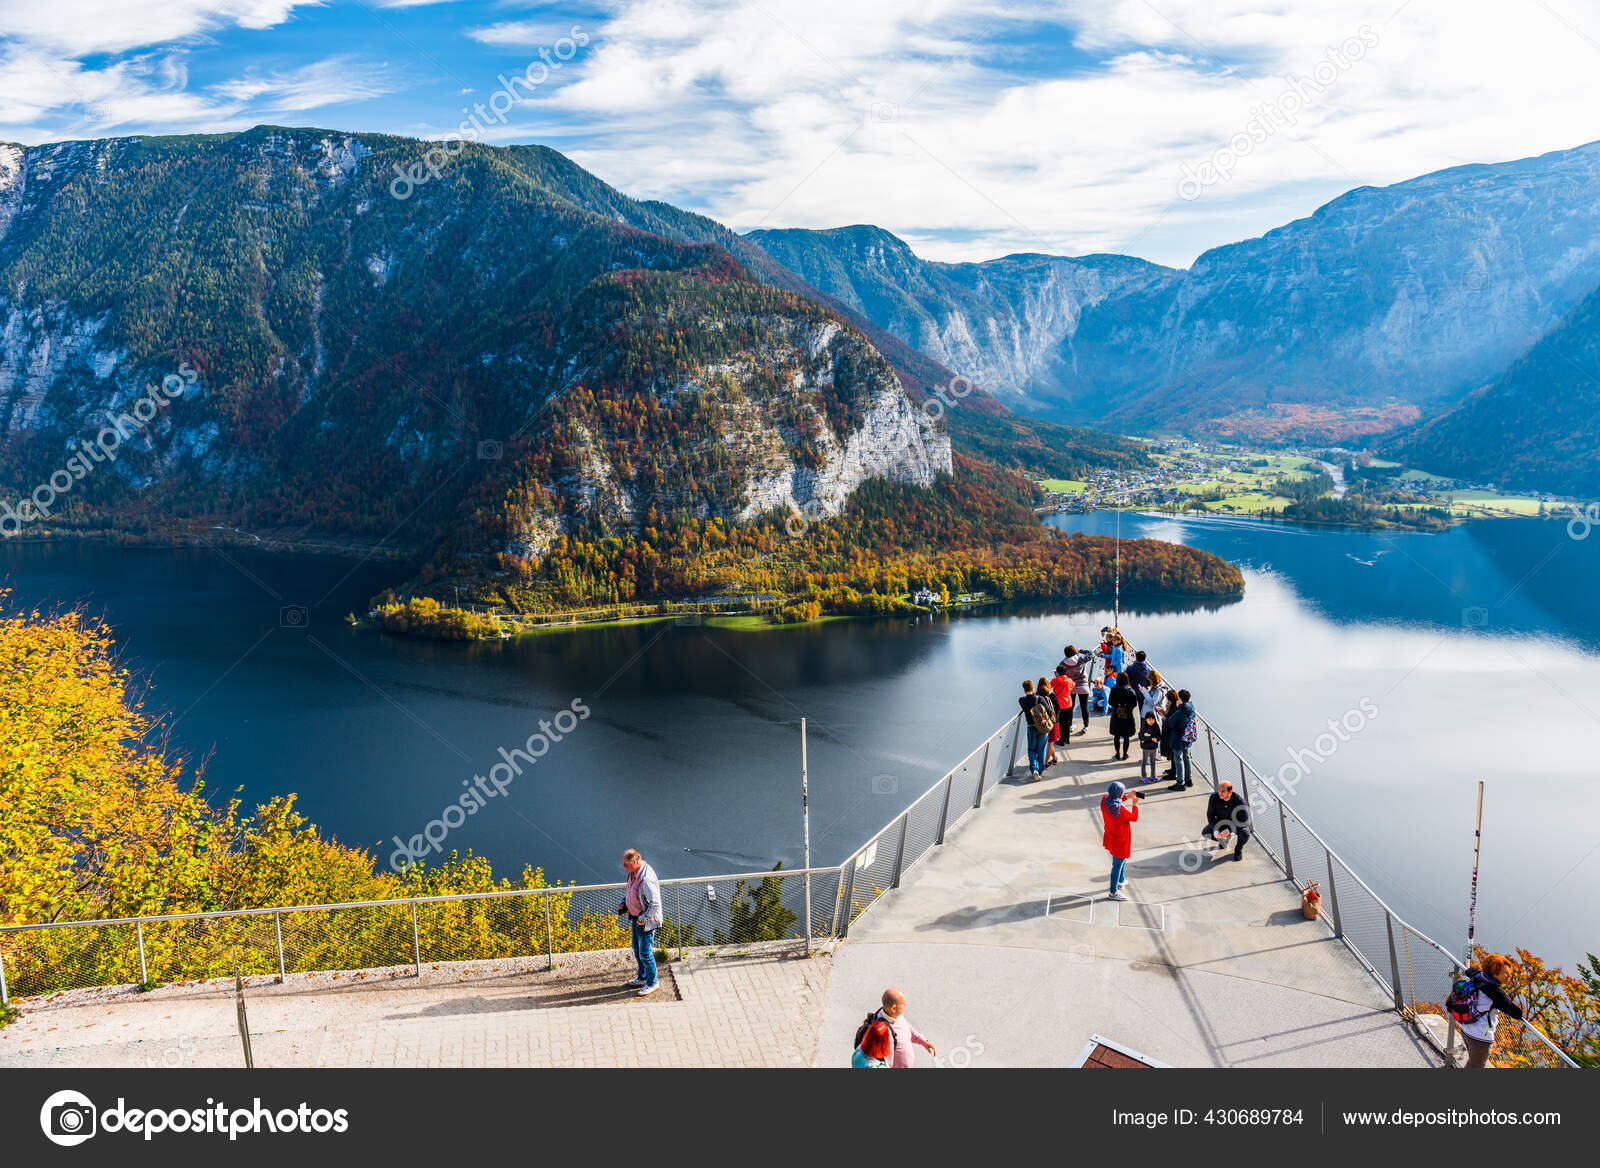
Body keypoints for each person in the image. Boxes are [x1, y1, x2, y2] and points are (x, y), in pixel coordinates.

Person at [1457, 953, 1526, 1068]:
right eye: (1505, 973)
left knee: (1472, 1062)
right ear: (1495, 973)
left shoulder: (1478, 976)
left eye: (1509, 972)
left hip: (1465, 1028)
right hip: (1480, 1037)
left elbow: (1470, 970)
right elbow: (1517, 1013)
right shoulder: (1496, 993)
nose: (1509, 975)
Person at [618, 848, 662, 995]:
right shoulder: (633, 873)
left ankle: (653, 982)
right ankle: (643, 977)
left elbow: (655, 903)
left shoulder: (646, 878)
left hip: (645, 921)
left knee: (645, 952)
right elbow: (631, 891)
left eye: (625, 864)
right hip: (636, 917)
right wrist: (624, 903)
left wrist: (643, 919)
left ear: (635, 862)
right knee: (637, 950)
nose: (624, 867)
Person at [875, 988, 935, 1067]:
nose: (905, 1004)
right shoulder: (883, 1031)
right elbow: (885, 1063)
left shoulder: (897, 1016)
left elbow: (907, 1029)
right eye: (902, 1003)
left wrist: (923, 1041)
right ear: (893, 1008)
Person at [1100, 780, 1139, 901]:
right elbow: (1134, 818)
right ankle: (1113, 892)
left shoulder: (1105, 799)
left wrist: (1127, 797)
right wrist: (1135, 804)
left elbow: (1115, 801)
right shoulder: (1120, 811)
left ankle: (1121, 880)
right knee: (1117, 865)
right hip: (1121, 840)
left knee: (1121, 861)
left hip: (1111, 835)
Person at [1202, 779, 1250, 860]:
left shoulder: (1240, 802)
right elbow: (1210, 815)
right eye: (1219, 790)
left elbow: (1245, 821)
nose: (1220, 793)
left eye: (1223, 791)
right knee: (1206, 832)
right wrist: (1215, 829)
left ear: (1230, 792)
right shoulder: (1214, 797)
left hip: (1236, 825)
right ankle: (1224, 841)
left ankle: (1238, 849)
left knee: (1245, 833)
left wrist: (1229, 830)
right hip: (1221, 822)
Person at [1019, 679, 1053, 780]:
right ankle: (1040, 771)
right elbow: (1050, 711)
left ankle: (1034, 769)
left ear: (1024, 690)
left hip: (1031, 728)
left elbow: (1025, 706)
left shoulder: (1022, 700)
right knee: (1041, 749)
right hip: (1042, 727)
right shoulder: (1039, 698)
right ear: (1033, 688)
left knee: (1031, 749)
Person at [1059, 645, 1095, 732]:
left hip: (1071, 687)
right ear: (1074, 652)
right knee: (1084, 706)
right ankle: (1086, 726)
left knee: (1070, 707)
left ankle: (1070, 725)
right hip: (1083, 686)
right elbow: (1092, 654)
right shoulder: (1080, 659)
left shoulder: (1063, 663)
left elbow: (1060, 671)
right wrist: (1081, 650)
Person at [1167, 689, 1197, 791]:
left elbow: (1170, 723)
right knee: (1187, 757)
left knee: (1178, 759)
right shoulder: (1192, 710)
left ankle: (1180, 783)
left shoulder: (1180, 712)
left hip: (1178, 738)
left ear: (1179, 698)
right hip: (1188, 737)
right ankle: (1188, 779)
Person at [1108, 671, 1141, 761]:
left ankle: (1117, 754)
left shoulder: (1114, 689)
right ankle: (1125, 754)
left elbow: (1110, 702)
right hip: (1128, 716)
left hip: (1116, 715)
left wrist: (1118, 706)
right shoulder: (1130, 690)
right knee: (1126, 737)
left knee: (1116, 736)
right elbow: (1134, 703)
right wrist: (1126, 707)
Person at [1049, 665, 1076, 747]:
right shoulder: (1069, 680)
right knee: (1067, 722)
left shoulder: (1055, 680)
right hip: (1068, 703)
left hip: (1059, 705)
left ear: (1057, 672)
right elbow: (1072, 686)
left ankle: (1062, 740)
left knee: (1061, 723)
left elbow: (1049, 687)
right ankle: (1067, 739)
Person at [1137, 711, 1162, 783]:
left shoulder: (1156, 726)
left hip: (1154, 747)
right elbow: (1140, 736)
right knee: (1144, 761)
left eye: (1152, 720)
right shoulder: (1144, 727)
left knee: (1153, 761)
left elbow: (1159, 735)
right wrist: (1150, 739)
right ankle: (1143, 776)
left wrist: (1157, 739)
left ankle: (1153, 775)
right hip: (1146, 747)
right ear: (1146, 720)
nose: (1151, 721)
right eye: (1149, 720)